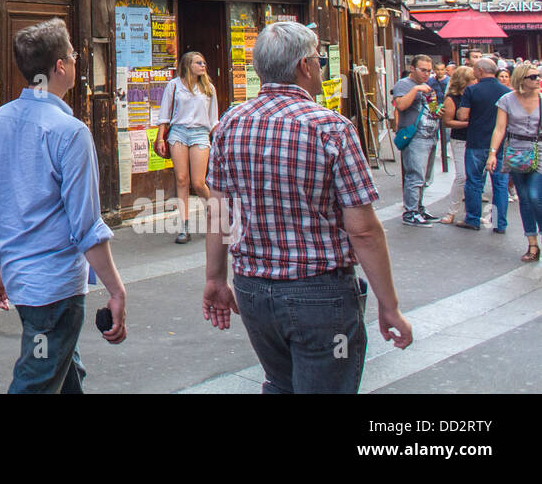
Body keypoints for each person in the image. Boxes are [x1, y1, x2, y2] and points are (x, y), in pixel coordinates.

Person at [202, 22, 412, 394]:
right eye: (319, 59)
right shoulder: (331, 128)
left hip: (253, 291)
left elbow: (219, 213)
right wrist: (389, 303)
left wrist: (216, 279)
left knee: (280, 383)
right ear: (304, 66)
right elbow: (362, 229)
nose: (321, 67)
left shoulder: (230, 124)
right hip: (319, 295)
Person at [0, 19, 127, 393]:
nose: (76, 60)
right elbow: (87, 226)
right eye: (73, 54)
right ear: (60, 66)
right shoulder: (70, 132)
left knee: (62, 366)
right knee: (37, 379)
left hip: (19, 275)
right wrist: (117, 291)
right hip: (54, 287)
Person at [155, 51, 220, 244]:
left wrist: (219, 138)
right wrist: (160, 139)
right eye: (198, 63)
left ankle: (214, 213)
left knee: (199, 182)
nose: (203, 66)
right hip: (179, 132)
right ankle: (184, 227)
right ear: (188, 65)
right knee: (182, 179)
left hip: (200, 133)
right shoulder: (174, 86)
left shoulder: (208, 88)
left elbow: (213, 119)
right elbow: (164, 115)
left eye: (204, 62)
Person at [483, 62, 542, 261]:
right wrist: (492, 153)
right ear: (522, 80)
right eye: (533, 77)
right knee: (524, 199)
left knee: (535, 195)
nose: (537, 79)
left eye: (538, 76)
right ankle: (532, 244)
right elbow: (499, 129)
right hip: (516, 151)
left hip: (539, 150)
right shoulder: (507, 100)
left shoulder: (541, 99)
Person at [456, 58, 512, 233]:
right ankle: (499, 223)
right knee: (500, 184)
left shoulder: (472, 90)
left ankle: (473, 219)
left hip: (477, 141)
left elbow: (463, 115)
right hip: (500, 143)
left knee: (474, 181)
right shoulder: (506, 91)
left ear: (480, 71)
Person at [392, 54, 440, 226]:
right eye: (423, 70)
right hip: (414, 136)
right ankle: (410, 212)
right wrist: (416, 90)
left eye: (429, 71)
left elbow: (434, 110)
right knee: (415, 175)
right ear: (412, 68)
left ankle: (418, 208)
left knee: (425, 177)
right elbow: (401, 105)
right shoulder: (404, 84)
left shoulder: (427, 85)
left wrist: (437, 109)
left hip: (430, 134)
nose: (426, 74)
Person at [436, 65, 473, 224]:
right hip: (460, 139)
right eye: (472, 79)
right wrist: (469, 124)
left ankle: (471, 212)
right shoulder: (452, 98)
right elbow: (448, 122)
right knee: (462, 176)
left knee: (474, 177)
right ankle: (452, 211)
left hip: (475, 138)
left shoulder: (473, 94)